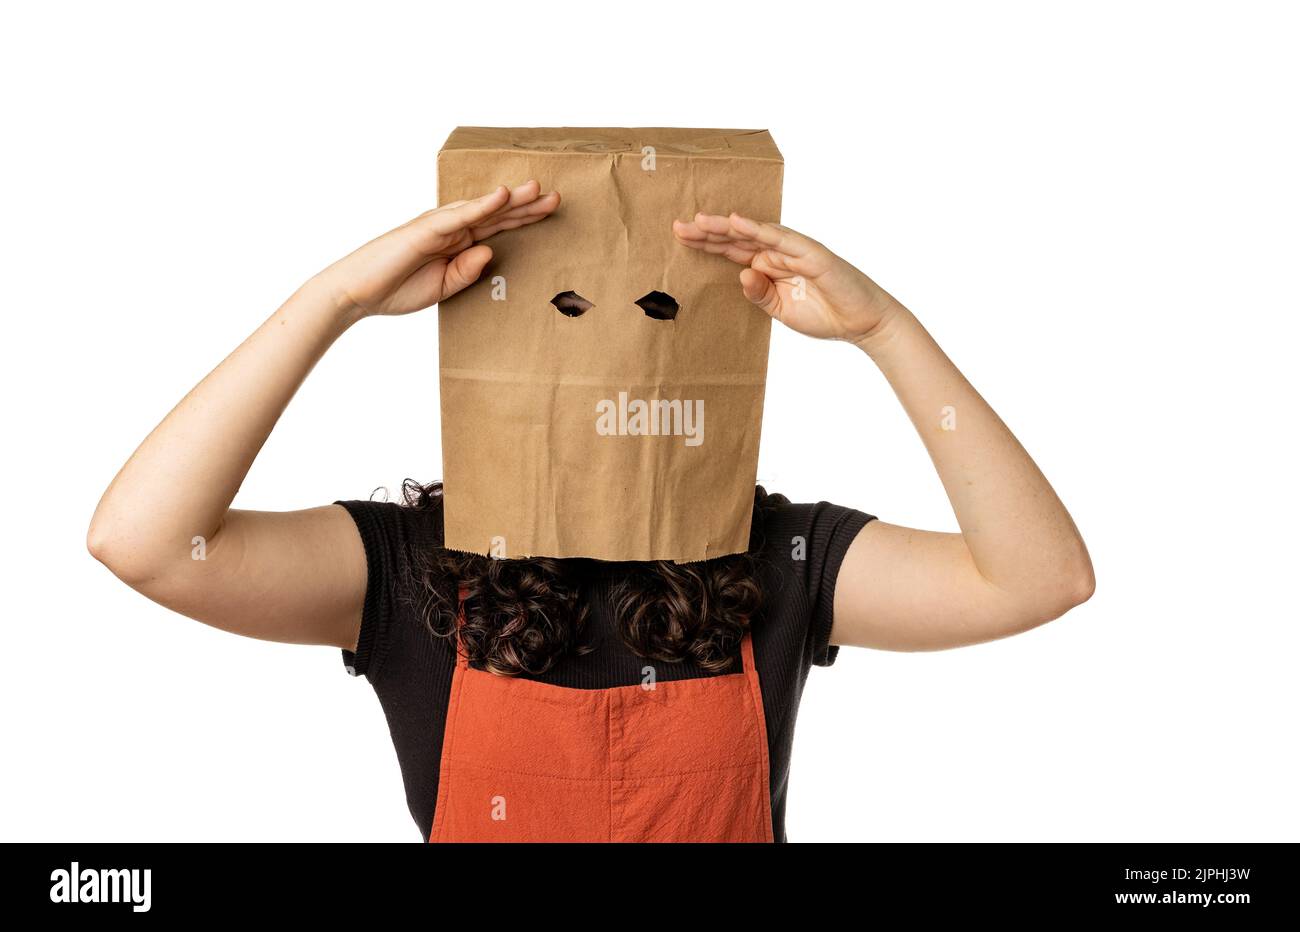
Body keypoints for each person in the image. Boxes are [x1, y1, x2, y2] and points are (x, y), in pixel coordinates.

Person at [88, 180, 1094, 842]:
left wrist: (884, 329)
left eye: (661, 314)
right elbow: (142, 541)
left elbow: (1038, 577)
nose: (607, 355)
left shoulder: (778, 554)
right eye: (559, 314)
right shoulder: (411, 565)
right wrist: (336, 300)